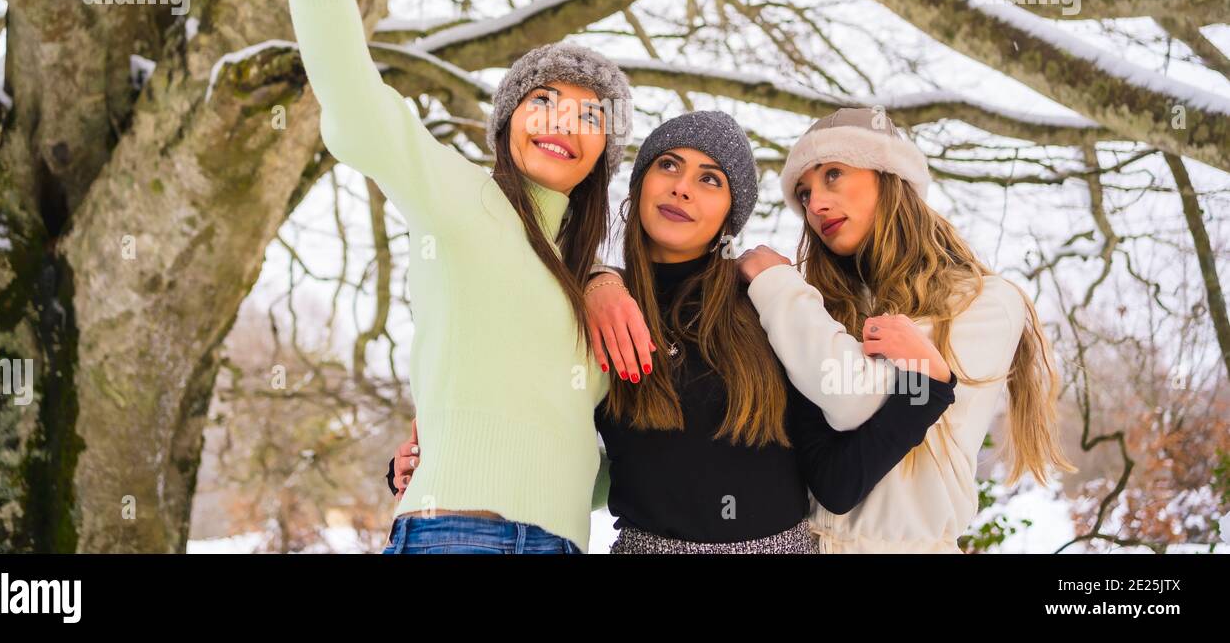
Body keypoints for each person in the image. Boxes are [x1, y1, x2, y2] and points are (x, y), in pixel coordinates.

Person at [259, 0, 633, 554]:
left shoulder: (593, 280)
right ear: (504, 126)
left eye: (588, 113)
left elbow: (595, 464)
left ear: (607, 150)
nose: (562, 121)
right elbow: (348, 87)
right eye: (541, 100)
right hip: (459, 533)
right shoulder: (456, 195)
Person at [392, 111, 958, 553]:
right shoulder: (590, 310)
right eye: (668, 166)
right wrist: (435, 459)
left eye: (709, 179)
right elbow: (537, 426)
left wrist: (927, 392)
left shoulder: (766, 310)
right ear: (638, 187)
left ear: (730, 215)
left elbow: (835, 481)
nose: (682, 188)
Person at [731, 106, 1077, 552]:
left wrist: (775, 283)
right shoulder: (817, 307)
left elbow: (852, 396)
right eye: (803, 193)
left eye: (833, 174)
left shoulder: (984, 302)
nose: (815, 204)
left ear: (888, 175)